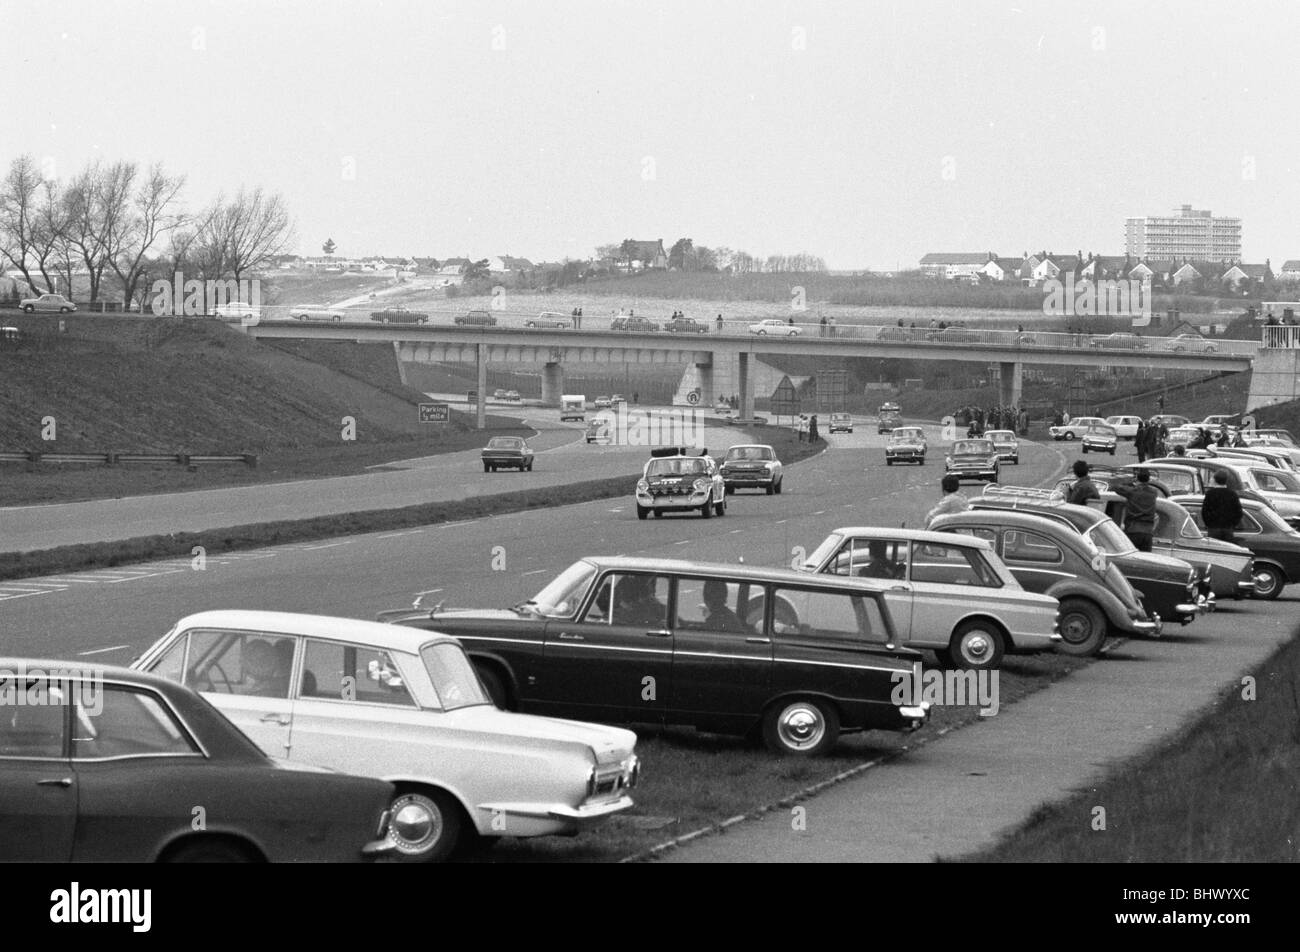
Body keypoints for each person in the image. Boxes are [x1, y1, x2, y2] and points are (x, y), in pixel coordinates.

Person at [1112, 469, 1159, 552]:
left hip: (1132, 530)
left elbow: (1116, 487)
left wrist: (1131, 482)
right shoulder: (1154, 493)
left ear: (1137, 478)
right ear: (1148, 479)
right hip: (1147, 532)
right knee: (1146, 559)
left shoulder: (1132, 491)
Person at [1202, 470, 1243, 543]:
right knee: (1227, 550)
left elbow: (1204, 512)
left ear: (1215, 480)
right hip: (1228, 529)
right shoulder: (1232, 494)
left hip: (1213, 528)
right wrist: (1232, 525)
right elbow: (1239, 512)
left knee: (1214, 551)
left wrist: (1209, 524)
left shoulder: (1210, 494)